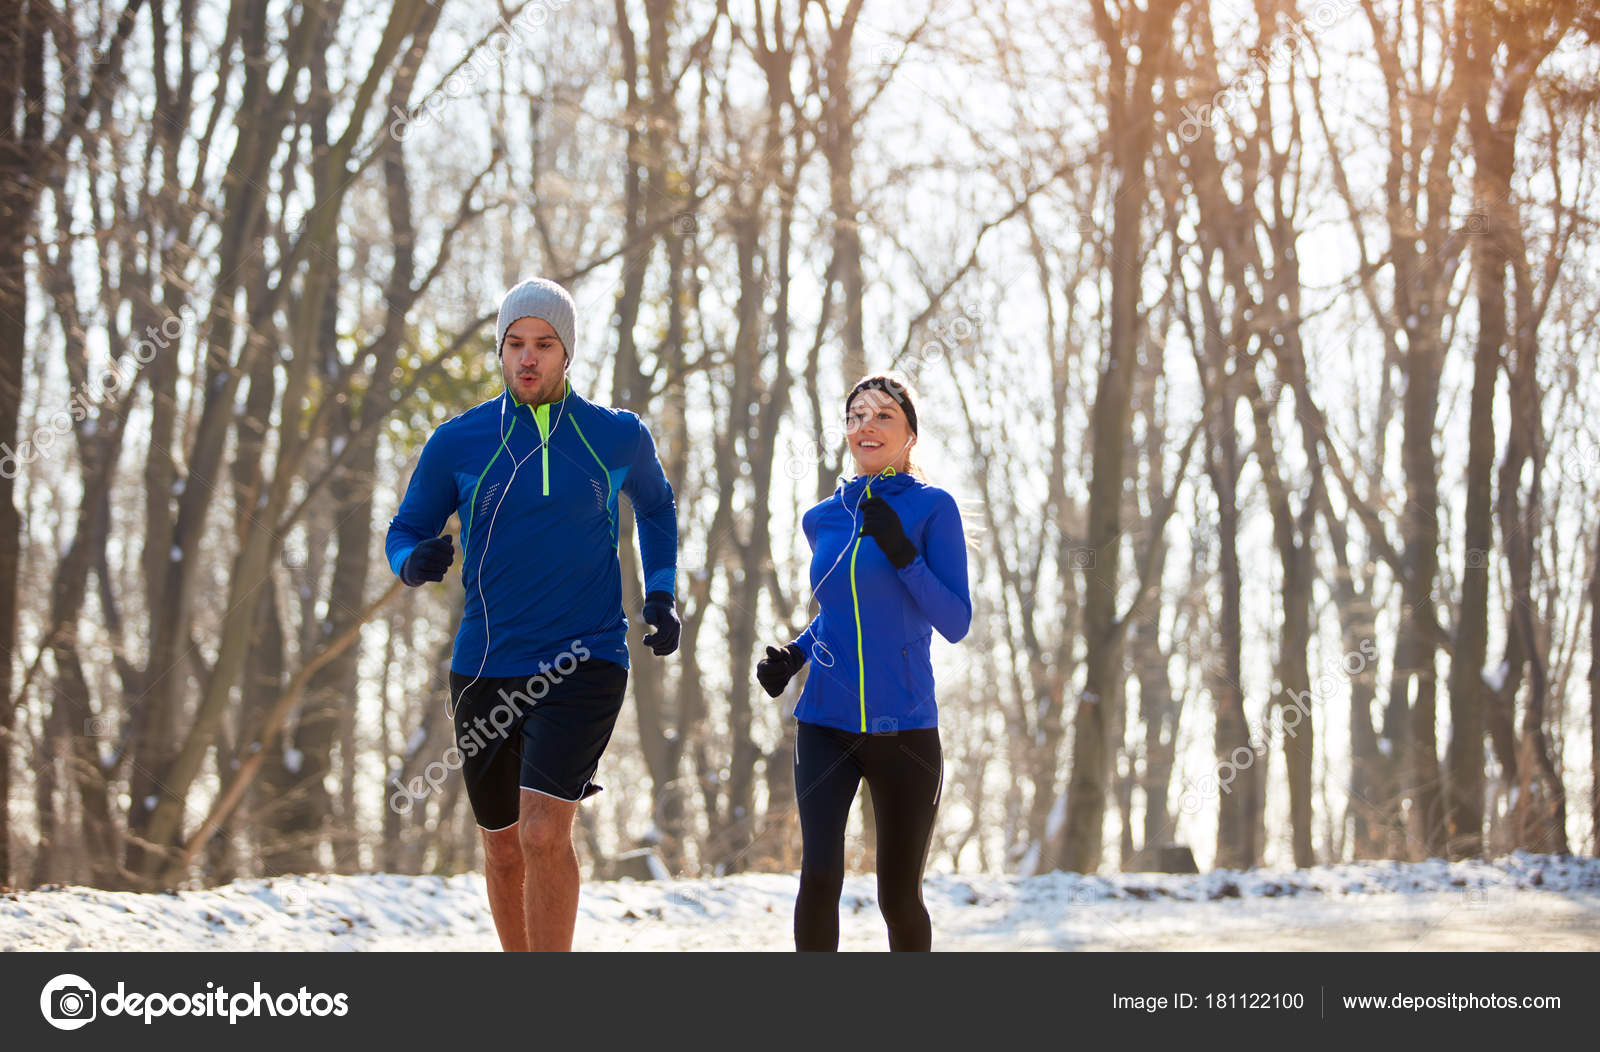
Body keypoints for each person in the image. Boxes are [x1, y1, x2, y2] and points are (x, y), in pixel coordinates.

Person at [385, 277, 680, 952]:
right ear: (500, 349)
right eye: (515, 343)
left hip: (587, 660)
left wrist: (660, 593)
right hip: (486, 663)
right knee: (502, 851)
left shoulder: (614, 435)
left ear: (567, 352)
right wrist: (413, 561)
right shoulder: (458, 442)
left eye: (544, 344)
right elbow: (405, 527)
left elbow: (657, 506)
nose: (528, 357)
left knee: (544, 832)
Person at [756, 373, 971, 951]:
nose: (866, 426)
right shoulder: (822, 518)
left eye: (882, 416)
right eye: (855, 416)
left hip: (904, 728)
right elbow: (839, 611)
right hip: (825, 722)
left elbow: (955, 621)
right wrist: (795, 653)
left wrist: (904, 553)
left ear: (909, 435)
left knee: (897, 897)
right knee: (820, 878)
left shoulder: (933, 510)